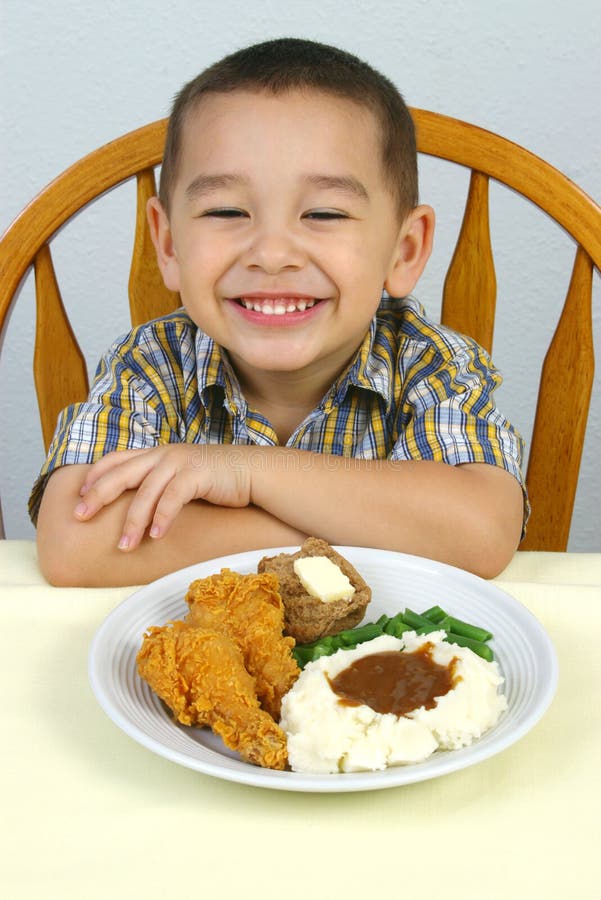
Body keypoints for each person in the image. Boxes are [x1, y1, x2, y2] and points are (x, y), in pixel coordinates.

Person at [32, 37, 526, 587]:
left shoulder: (430, 364)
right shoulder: (152, 365)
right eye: (225, 210)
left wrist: (249, 474)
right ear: (168, 245)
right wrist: (360, 536)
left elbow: (482, 533)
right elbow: (74, 545)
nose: (271, 254)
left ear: (404, 251)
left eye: (323, 213)